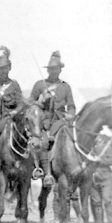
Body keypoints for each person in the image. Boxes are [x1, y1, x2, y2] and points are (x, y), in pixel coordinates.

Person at [30, 50, 75, 186]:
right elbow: (29, 101)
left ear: (60, 70)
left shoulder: (65, 86)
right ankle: (46, 173)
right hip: (44, 120)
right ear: (48, 70)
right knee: (43, 141)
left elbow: (71, 106)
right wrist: (41, 99)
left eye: (56, 69)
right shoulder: (40, 84)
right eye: (51, 69)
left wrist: (70, 115)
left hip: (61, 120)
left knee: (73, 141)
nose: (53, 71)